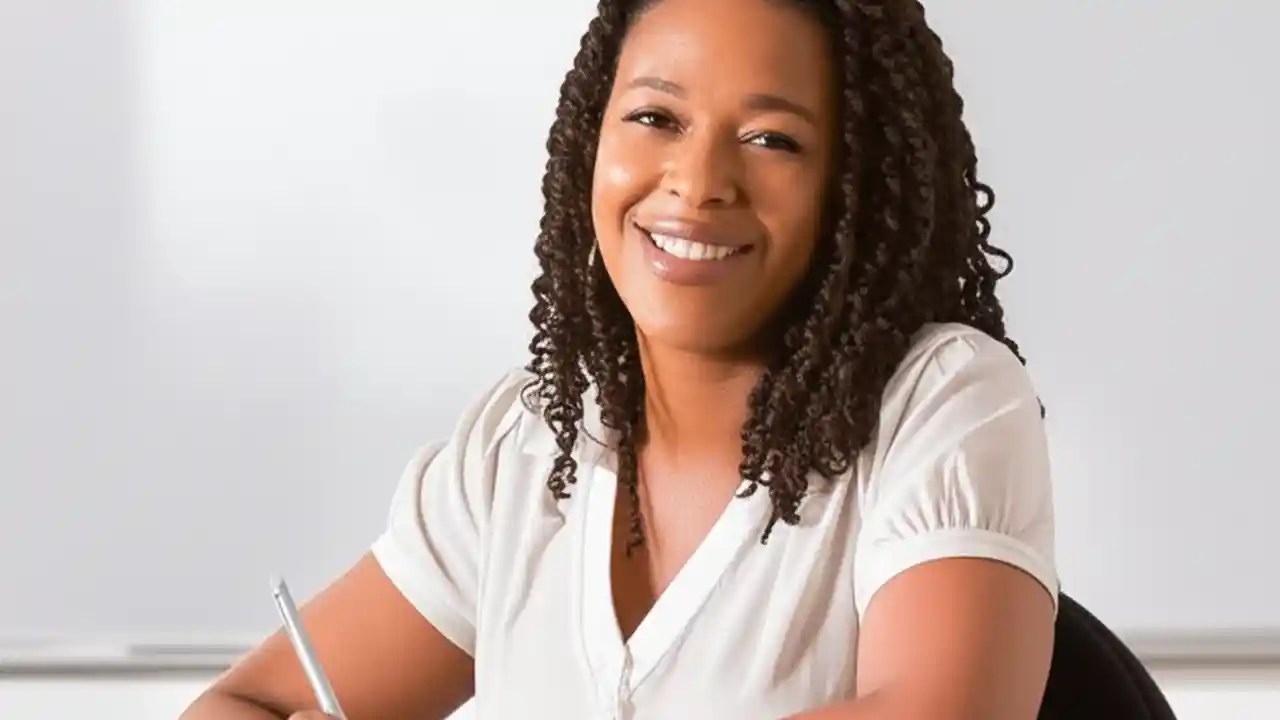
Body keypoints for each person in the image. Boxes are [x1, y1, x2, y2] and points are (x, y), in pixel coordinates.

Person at [182, 0, 1058, 717]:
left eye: (771, 139)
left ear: (854, 189)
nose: (698, 178)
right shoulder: (522, 449)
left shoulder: (944, 400)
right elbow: (245, 702)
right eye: (655, 118)